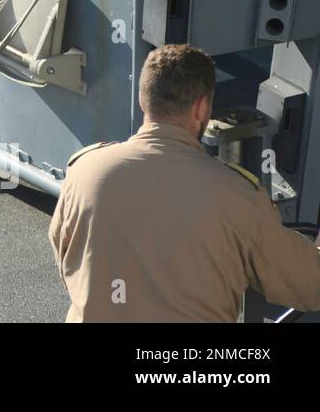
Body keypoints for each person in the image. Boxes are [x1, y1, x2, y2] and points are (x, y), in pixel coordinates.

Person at [49, 43, 320, 320]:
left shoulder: (84, 170)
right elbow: (309, 285)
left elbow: (67, 259)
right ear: (202, 107)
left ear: (143, 100)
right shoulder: (237, 195)